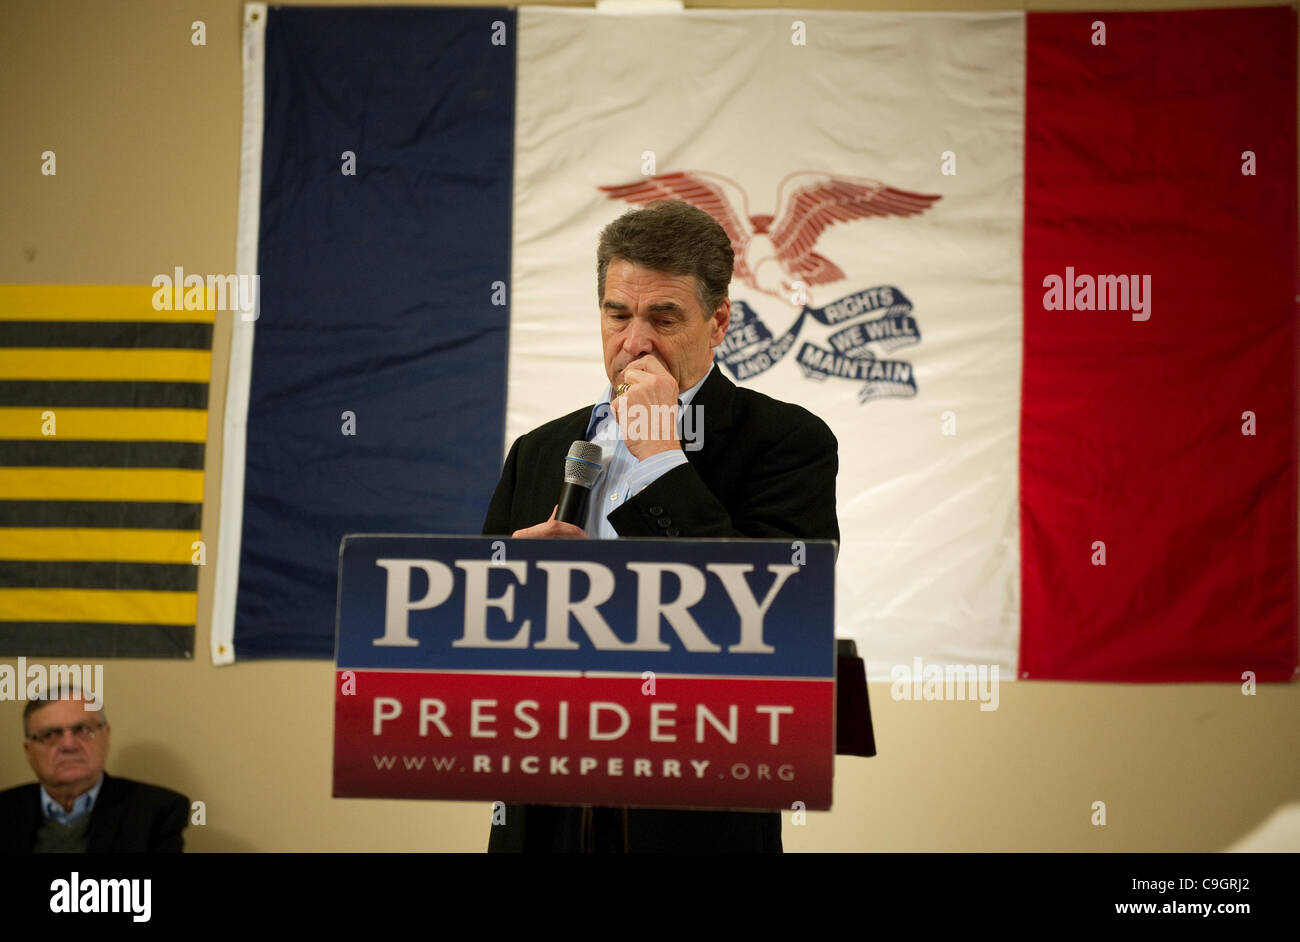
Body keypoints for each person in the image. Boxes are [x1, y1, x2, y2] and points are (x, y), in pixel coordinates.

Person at [482, 199, 839, 852]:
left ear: (720, 321)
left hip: (700, 815)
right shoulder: (537, 451)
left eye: (663, 318)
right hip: (544, 812)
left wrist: (660, 457)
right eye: (618, 315)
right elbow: (469, 645)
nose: (634, 341)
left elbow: (774, 613)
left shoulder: (786, 442)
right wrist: (503, 585)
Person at [0, 690, 189, 852]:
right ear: (29, 751)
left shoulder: (156, 812)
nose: (68, 745)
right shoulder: (6, 810)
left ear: (106, 737)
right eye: (50, 734)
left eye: (82, 729)